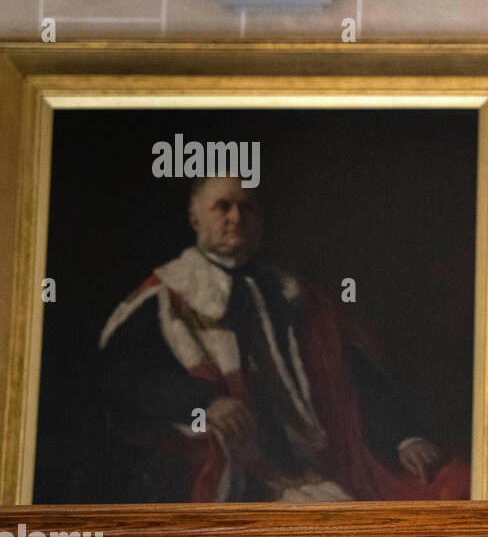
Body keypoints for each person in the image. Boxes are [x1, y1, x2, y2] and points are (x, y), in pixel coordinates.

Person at [98, 173, 469, 503]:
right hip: (232, 468)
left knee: (456, 486)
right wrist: (204, 402)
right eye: (222, 207)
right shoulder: (165, 295)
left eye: (247, 208)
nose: (236, 217)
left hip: (323, 455)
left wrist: (403, 437)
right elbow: (119, 378)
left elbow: (348, 375)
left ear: (260, 221)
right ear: (195, 219)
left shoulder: (291, 294)